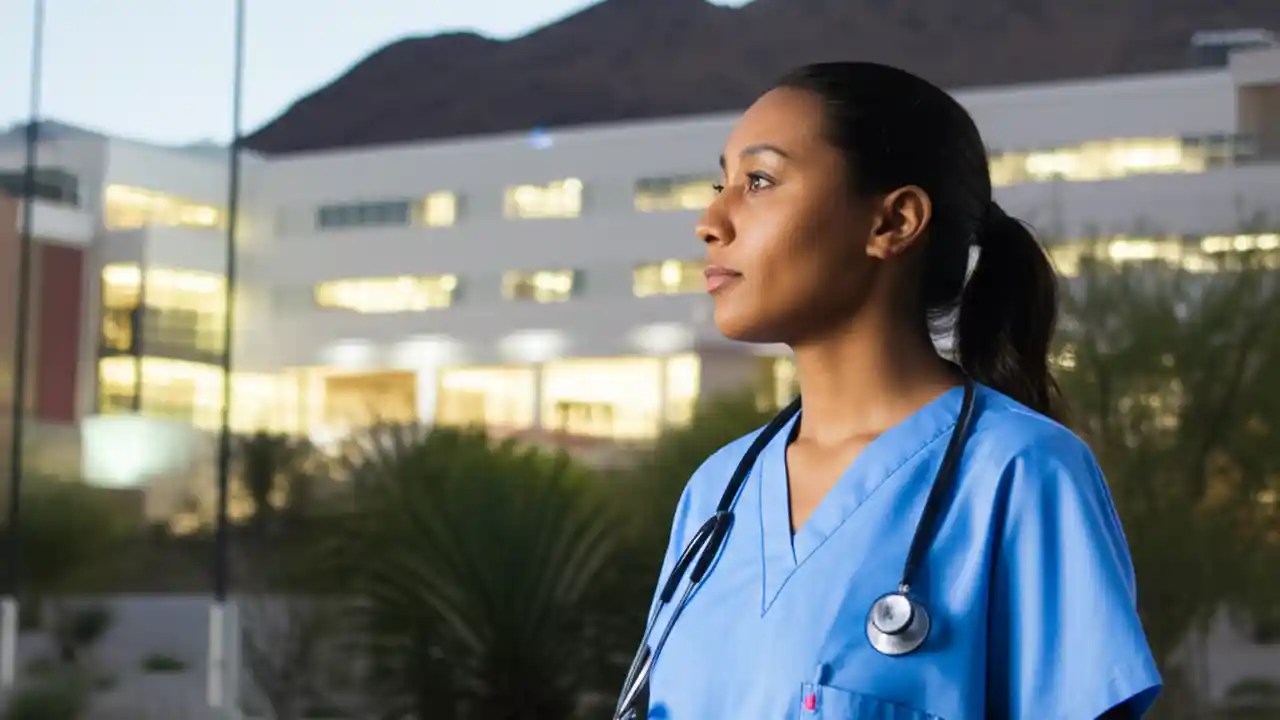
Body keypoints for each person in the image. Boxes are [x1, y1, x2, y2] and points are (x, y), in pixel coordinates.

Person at [623, 62, 1161, 719]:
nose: (710, 221)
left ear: (894, 222)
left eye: (758, 181)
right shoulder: (717, 494)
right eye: (721, 184)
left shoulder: (1019, 475)